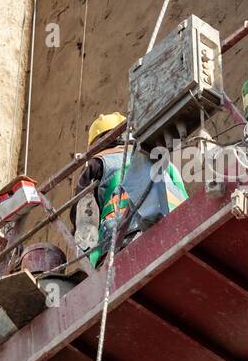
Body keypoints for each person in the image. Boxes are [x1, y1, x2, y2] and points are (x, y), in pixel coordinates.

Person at [76, 112, 188, 267]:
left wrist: (92, 259)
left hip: (122, 240)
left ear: (96, 143)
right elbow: (182, 194)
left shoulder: (97, 163)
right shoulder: (157, 155)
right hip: (176, 225)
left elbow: (83, 214)